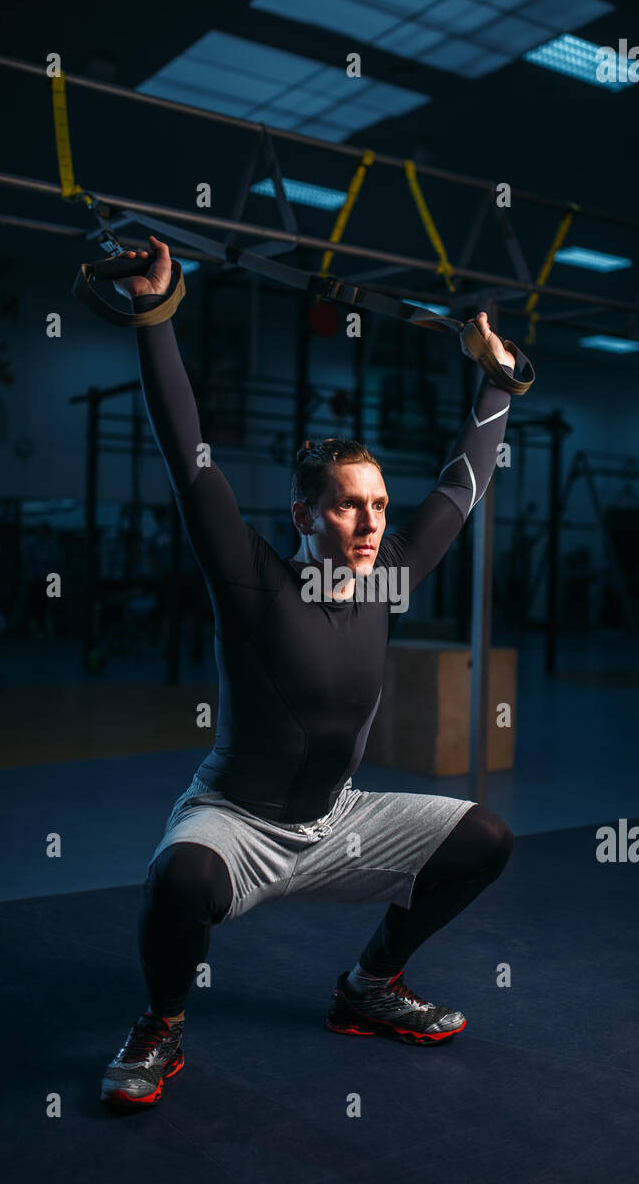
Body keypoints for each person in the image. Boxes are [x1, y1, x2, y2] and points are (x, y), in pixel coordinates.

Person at [100, 236, 531, 1107]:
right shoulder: (252, 577)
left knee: (484, 838)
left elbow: (459, 487)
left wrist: (497, 376)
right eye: (347, 505)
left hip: (339, 824)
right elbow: (189, 459)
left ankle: (368, 985)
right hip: (237, 823)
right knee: (180, 879)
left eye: (377, 504)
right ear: (304, 514)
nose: (370, 521)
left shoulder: (389, 578)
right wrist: (154, 316)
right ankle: (162, 1024)